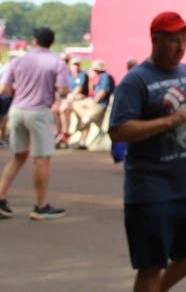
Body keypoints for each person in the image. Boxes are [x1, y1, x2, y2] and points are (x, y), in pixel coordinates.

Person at [108, 11, 186, 292]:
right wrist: (172, 120)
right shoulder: (136, 80)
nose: (180, 48)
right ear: (155, 40)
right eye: (173, 41)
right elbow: (119, 130)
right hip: (152, 190)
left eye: (183, 41)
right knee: (151, 265)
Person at [0, 27, 70, 220]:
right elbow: (63, 90)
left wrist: (21, 90)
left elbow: (5, 89)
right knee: (41, 158)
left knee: (18, 156)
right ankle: (40, 206)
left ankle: (1, 197)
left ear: (34, 41)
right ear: (51, 43)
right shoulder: (56, 62)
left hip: (17, 110)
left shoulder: (18, 61)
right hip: (39, 111)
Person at [72, 60, 114, 149]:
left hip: (100, 104)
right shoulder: (100, 77)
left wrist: (94, 102)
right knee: (79, 110)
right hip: (97, 103)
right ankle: (82, 141)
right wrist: (90, 79)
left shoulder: (105, 77)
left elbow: (103, 91)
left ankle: (84, 122)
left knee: (86, 120)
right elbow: (92, 91)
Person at [56, 58, 88, 147]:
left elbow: (79, 89)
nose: (75, 67)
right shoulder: (68, 75)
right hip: (68, 99)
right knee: (59, 110)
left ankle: (65, 133)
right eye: (74, 65)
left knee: (64, 108)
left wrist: (70, 96)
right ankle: (62, 133)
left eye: (77, 65)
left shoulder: (82, 75)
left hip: (78, 98)